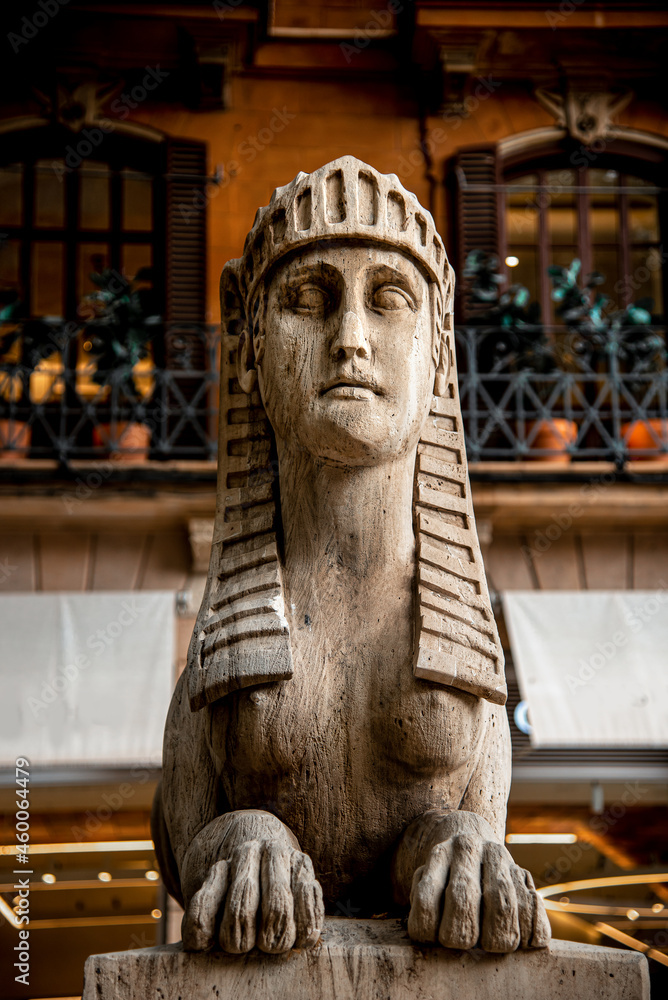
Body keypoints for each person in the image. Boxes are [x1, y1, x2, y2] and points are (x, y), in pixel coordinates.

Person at [152, 156, 550, 957]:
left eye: (389, 298)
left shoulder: (457, 631)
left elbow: (478, 827)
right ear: (252, 345)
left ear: (438, 348)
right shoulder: (221, 644)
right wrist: (239, 837)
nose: (351, 341)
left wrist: (454, 839)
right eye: (307, 299)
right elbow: (180, 841)